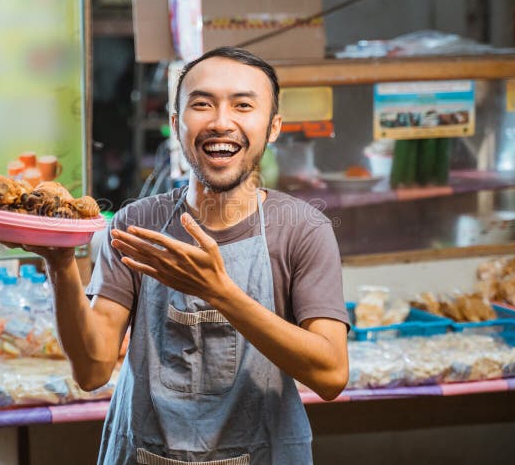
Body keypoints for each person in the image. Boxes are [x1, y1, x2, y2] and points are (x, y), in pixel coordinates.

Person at [27, 47, 349, 464]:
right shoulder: (135, 225)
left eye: (243, 105)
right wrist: (60, 264)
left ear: (273, 127)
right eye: (202, 104)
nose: (220, 122)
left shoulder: (302, 229)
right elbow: (91, 371)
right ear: (177, 125)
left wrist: (220, 293)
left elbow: (331, 375)